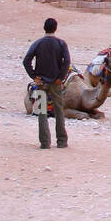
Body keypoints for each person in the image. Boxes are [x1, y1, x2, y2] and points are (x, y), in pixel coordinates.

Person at [23, 18, 72, 149]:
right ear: (55, 28)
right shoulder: (61, 43)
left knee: (41, 111)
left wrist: (34, 76)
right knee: (59, 111)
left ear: (44, 27)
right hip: (56, 82)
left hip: (41, 83)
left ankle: (45, 143)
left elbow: (26, 60)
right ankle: (62, 141)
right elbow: (67, 61)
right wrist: (60, 77)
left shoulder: (38, 43)